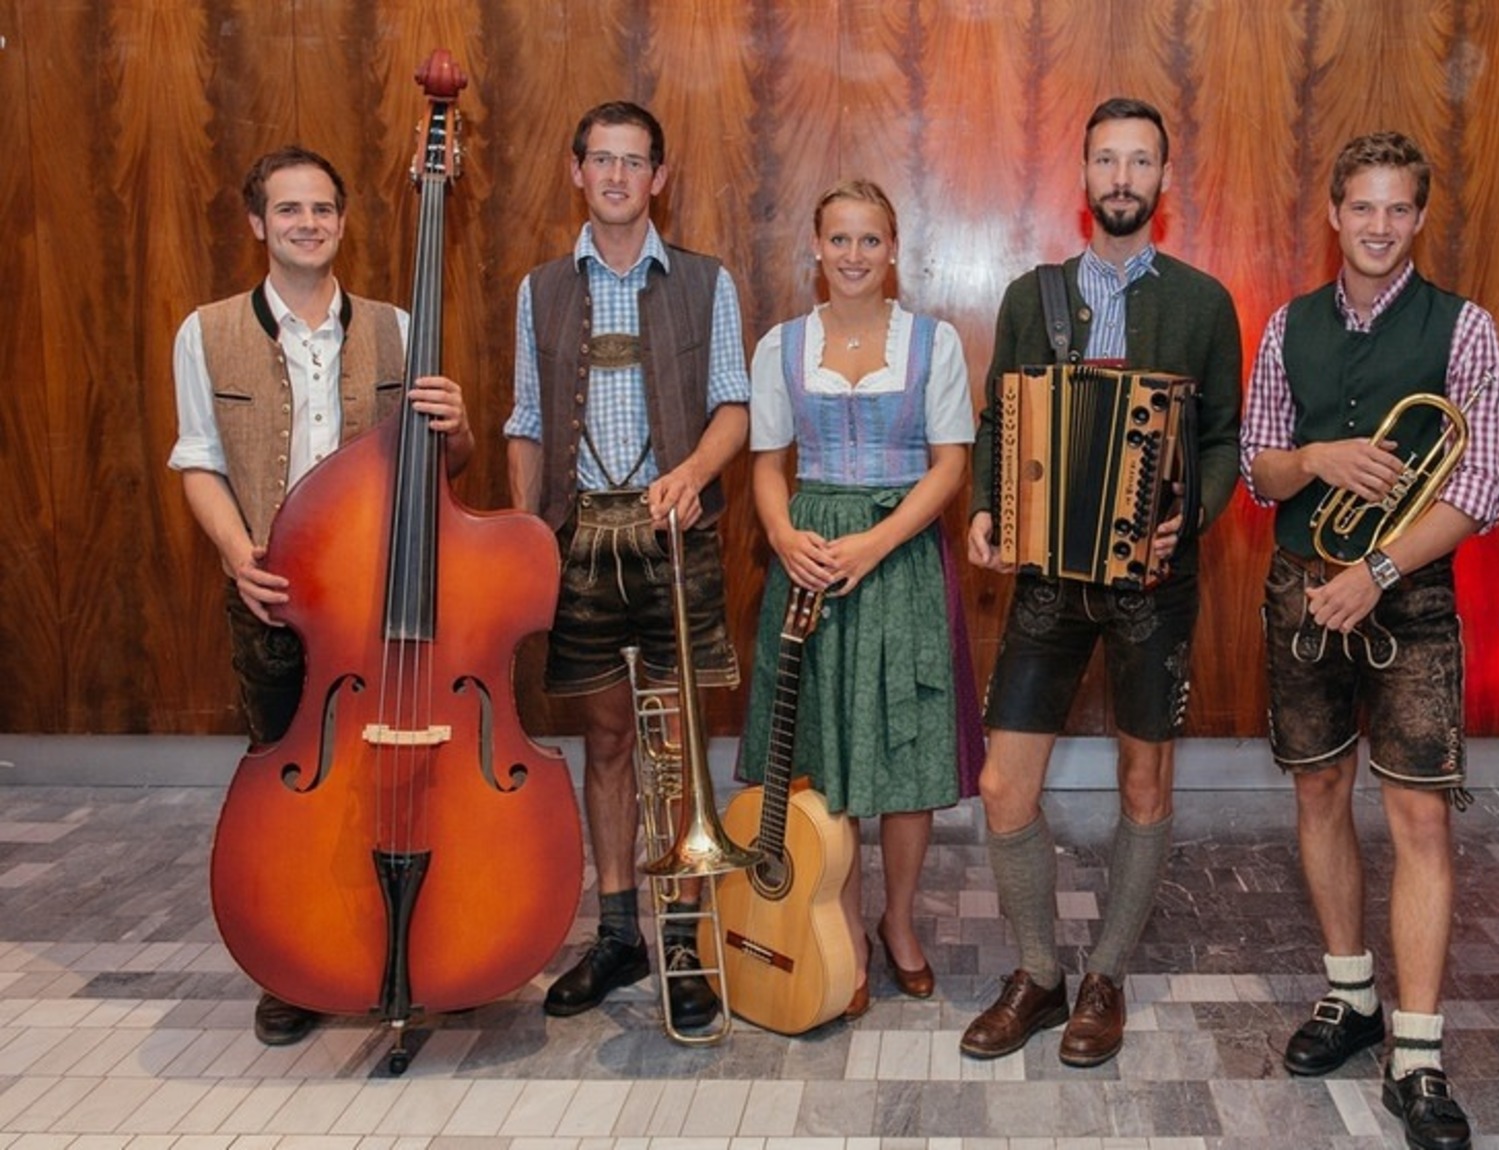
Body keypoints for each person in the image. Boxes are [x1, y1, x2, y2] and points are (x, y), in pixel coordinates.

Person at [959, 96, 1242, 1068]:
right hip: (1044, 577)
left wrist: (1189, 512)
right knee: (1001, 785)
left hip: (1152, 584)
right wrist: (990, 507)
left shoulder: (1203, 304)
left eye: (1139, 162)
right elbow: (1000, 417)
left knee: (1143, 778)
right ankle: (1038, 973)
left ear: (1163, 182)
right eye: (1105, 161)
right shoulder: (1028, 296)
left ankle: (1105, 974)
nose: (1121, 177)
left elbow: (1219, 441)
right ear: (1081, 179)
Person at [169, 146, 474, 1046]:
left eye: (322, 209)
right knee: (285, 782)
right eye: (288, 210)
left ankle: (415, 934)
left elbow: (441, 474)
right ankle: (293, 965)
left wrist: (454, 432)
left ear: (342, 221)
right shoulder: (207, 330)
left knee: (401, 776)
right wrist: (237, 555)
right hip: (274, 597)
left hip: (380, 598)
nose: (308, 223)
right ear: (258, 223)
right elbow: (197, 459)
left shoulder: (397, 325)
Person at [1240, 131, 1499, 1150]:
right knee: (1315, 788)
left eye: (1399, 209)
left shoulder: (1465, 328)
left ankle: (1419, 1055)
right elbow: (1258, 476)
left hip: (1405, 598)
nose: (1379, 226)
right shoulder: (1287, 325)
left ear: (1420, 218)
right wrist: (1314, 454)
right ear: (1333, 212)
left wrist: (1377, 572)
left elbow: (1479, 488)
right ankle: (1350, 996)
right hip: (1301, 590)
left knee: (1419, 820)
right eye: (1362, 207)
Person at [504, 101, 749, 1035]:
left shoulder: (704, 281)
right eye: (600, 160)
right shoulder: (539, 291)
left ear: (659, 177)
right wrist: (529, 538)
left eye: (633, 161)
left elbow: (734, 406)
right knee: (605, 742)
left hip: (673, 538)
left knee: (676, 742)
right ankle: (618, 935)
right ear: (577, 172)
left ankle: (684, 940)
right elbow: (526, 422)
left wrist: (692, 472)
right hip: (578, 544)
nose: (615, 176)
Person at [739, 179, 984, 1018]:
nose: (853, 256)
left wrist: (878, 541)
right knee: (820, 746)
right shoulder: (780, 346)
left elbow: (950, 463)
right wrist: (781, 537)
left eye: (869, 241)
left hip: (901, 550)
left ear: (893, 252)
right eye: (838, 240)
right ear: (815, 249)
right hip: (808, 553)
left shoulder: (932, 343)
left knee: (905, 752)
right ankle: (833, 917)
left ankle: (899, 921)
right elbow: (767, 460)